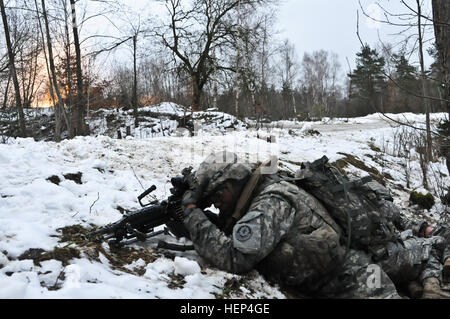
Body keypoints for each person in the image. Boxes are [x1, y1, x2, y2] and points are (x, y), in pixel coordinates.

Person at [180, 151, 400, 298]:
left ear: (234, 182)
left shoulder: (271, 201)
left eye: (218, 194)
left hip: (360, 285)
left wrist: (192, 214)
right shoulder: (261, 193)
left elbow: (234, 258)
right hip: (334, 283)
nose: (216, 203)